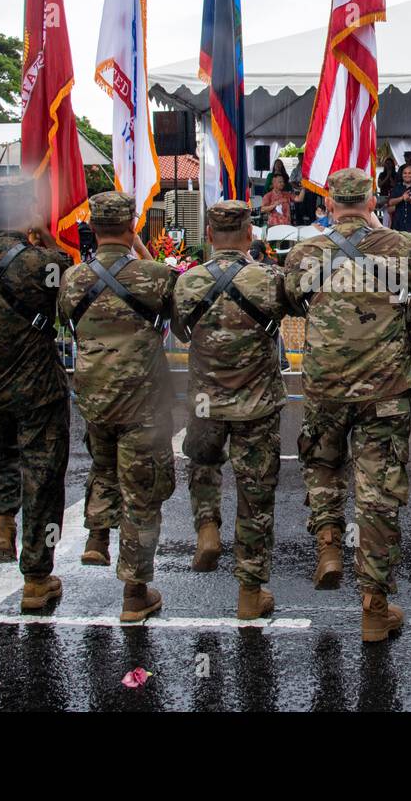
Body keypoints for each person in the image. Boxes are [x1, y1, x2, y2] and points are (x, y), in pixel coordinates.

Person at [282, 168, 411, 643]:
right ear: (373, 202)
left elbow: (289, 301)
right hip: (384, 389)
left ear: (329, 203)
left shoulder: (305, 252)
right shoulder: (404, 249)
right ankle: (374, 609)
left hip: (325, 383)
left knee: (323, 465)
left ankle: (328, 544)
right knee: (377, 496)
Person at [58, 191, 175, 622]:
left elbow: (67, 317)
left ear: (93, 229)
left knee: (104, 468)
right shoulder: (154, 275)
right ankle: (135, 591)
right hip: (142, 399)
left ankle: (96, 535)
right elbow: (176, 313)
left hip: (93, 394)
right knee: (142, 492)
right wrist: (140, 250)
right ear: (131, 227)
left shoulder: (72, 279)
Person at [0, 176, 72, 612]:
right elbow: (72, 284)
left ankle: (2, 520)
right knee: (42, 475)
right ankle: (36, 578)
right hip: (38, 385)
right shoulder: (43, 263)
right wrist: (45, 237)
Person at [173, 201, 288, 619]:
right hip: (255, 402)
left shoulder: (187, 283)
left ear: (208, 235)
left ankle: (206, 526)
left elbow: (180, 330)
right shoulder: (269, 280)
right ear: (249, 234)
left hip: (205, 399)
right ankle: (249, 593)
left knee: (202, 464)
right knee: (255, 493)